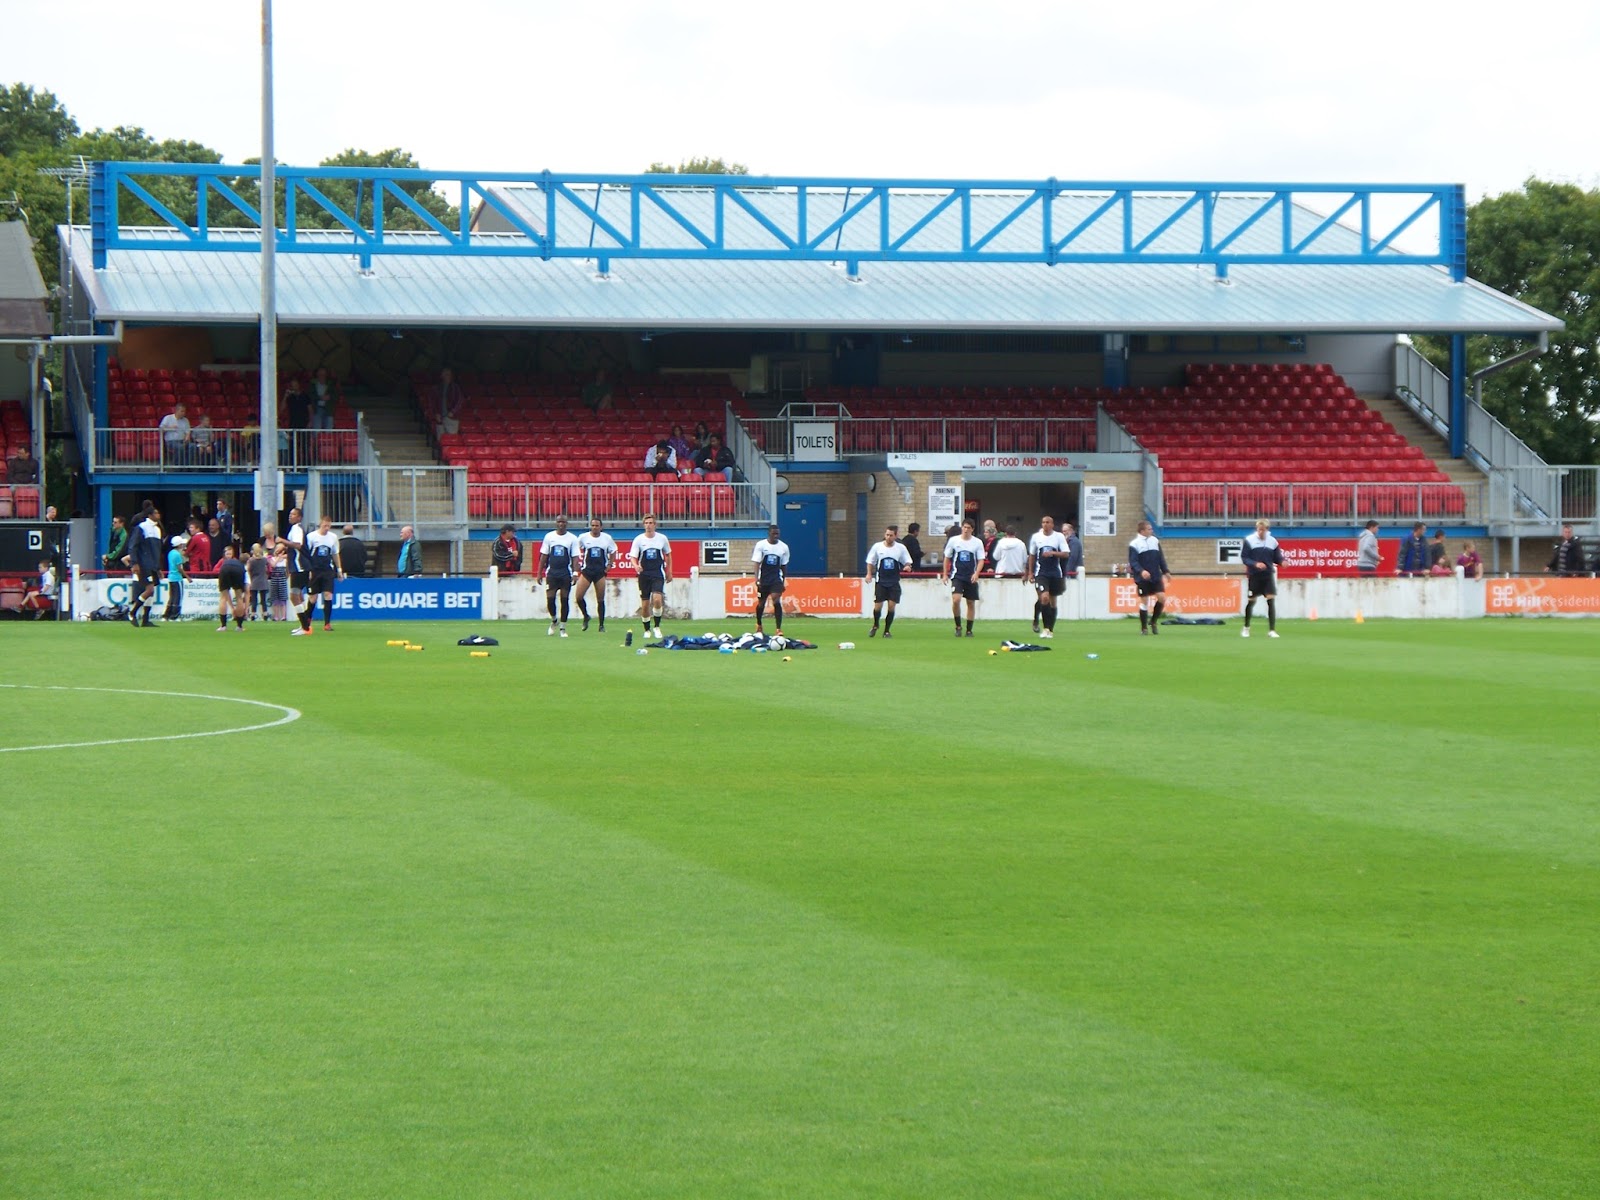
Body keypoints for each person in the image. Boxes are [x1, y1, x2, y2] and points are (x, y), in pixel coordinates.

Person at [1027, 515, 1070, 639]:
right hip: (1041, 573)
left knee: (1052, 602)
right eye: (1043, 522)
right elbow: (1032, 555)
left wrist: (1053, 553)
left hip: (1055, 573)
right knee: (1044, 597)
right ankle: (1045, 628)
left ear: (1052, 524)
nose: (1045, 524)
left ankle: (1050, 629)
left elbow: (1066, 554)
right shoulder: (1036, 537)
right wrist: (1030, 572)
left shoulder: (1058, 537)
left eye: (1048, 522)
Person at [865, 525, 912, 638]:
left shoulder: (900, 548)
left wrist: (907, 566)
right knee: (878, 606)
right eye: (887, 535)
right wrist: (869, 574)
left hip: (894, 581)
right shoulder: (877, 547)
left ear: (896, 536)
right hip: (881, 581)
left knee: (891, 606)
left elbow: (907, 561)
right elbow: (870, 561)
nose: (888, 537)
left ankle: (887, 630)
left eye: (891, 535)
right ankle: (876, 624)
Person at [630, 513, 672, 639]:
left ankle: (657, 627)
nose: (648, 525)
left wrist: (669, 571)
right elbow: (633, 556)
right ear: (644, 525)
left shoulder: (662, 539)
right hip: (644, 575)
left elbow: (668, 554)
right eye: (646, 523)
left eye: (650, 523)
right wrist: (636, 566)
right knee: (645, 604)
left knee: (657, 599)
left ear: (655, 525)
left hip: (657, 573)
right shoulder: (639, 539)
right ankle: (647, 629)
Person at [1240, 519, 1284, 638]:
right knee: (1251, 601)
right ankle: (1246, 627)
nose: (1260, 532)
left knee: (1271, 601)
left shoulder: (1272, 542)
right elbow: (1244, 558)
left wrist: (1282, 561)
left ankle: (1272, 630)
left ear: (1267, 530)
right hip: (1254, 575)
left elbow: (1277, 557)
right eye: (1259, 529)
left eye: (1263, 530)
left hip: (1268, 574)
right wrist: (1255, 564)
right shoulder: (1249, 540)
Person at [942, 518, 985, 637]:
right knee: (956, 599)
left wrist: (976, 573)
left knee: (970, 602)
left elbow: (981, 560)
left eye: (968, 528)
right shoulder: (954, 541)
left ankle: (969, 629)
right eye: (964, 527)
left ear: (972, 530)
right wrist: (945, 574)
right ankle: (958, 626)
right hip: (957, 575)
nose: (966, 530)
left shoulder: (977, 542)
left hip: (970, 576)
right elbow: (947, 558)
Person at [539, 514, 581, 637]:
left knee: (564, 599)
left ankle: (563, 628)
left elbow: (575, 558)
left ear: (566, 523)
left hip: (565, 573)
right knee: (550, 599)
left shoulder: (572, 538)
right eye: (559, 522)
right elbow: (544, 556)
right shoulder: (549, 537)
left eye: (563, 522)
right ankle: (554, 621)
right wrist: (539, 573)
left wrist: (575, 573)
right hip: (552, 573)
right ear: (556, 523)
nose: (561, 524)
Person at [1128, 519, 1172, 636]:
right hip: (1142, 578)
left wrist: (1166, 571)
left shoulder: (1155, 541)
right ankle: (1144, 628)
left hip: (1156, 575)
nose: (1152, 530)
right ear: (1142, 531)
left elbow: (1160, 558)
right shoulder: (1134, 544)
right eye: (1149, 529)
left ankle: (1153, 622)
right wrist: (1141, 571)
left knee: (1162, 598)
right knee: (1144, 601)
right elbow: (1133, 562)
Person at [575, 516, 617, 632]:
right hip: (587, 571)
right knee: (578, 597)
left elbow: (613, 551)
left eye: (597, 525)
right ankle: (586, 616)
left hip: (600, 572)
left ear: (601, 527)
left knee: (600, 599)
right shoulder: (583, 537)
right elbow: (575, 549)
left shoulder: (607, 538)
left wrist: (609, 565)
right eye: (592, 525)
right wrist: (577, 564)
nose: (594, 527)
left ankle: (601, 625)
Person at [125, 502, 163, 627]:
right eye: (156, 513)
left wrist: (158, 567)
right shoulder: (142, 527)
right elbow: (133, 546)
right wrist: (134, 563)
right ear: (150, 515)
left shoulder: (157, 530)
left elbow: (157, 551)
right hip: (144, 564)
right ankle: (132, 612)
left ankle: (146, 619)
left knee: (152, 592)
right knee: (149, 589)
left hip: (153, 565)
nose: (158, 515)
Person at [751, 524, 790, 635]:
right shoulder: (761, 545)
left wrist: (783, 581)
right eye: (774, 534)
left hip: (776, 579)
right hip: (763, 579)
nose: (776, 536)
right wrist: (756, 579)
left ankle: (778, 629)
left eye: (777, 534)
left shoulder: (784, 547)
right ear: (769, 533)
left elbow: (783, 565)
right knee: (761, 604)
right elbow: (757, 563)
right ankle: (759, 624)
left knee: (776, 599)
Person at [284, 507, 312, 635]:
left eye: (293, 514)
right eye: (290, 514)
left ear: (299, 517)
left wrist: (281, 541)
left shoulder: (297, 529)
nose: (290, 516)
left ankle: (305, 626)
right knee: (298, 595)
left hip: (300, 566)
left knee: (294, 596)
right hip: (297, 567)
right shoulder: (294, 529)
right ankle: (304, 626)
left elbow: (297, 545)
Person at [215, 545, 249, 632]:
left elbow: (226, 595)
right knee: (239, 597)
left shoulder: (223, 562)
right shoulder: (240, 564)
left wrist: (232, 608)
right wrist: (245, 609)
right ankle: (239, 626)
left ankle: (223, 626)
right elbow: (247, 591)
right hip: (238, 570)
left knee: (223, 597)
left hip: (225, 569)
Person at [163, 533, 189, 622]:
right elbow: (179, 568)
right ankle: (175, 616)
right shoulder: (178, 555)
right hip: (177, 578)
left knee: (172, 597)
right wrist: (187, 577)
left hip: (171, 577)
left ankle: (166, 615)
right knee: (178, 597)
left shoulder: (170, 553)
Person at [436, 367, 466, 435]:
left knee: (451, 438)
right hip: (440, 417)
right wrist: (436, 413)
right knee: (440, 439)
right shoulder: (438, 388)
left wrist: (453, 411)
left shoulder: (455, 387)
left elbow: (460, 401)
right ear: (442, 376)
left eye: (449, 374)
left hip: (451, 417)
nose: (447, 376)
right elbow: (434, 402)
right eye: (445, 374)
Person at [309, 367, 338, 431]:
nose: (322, 376)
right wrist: (320, 397)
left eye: (323, 374)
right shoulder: (312, 384)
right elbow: (310, 395)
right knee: (316, 428)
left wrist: (329, 397)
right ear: (317, 375)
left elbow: (336, 396)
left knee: (329, 427)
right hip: (316, 409)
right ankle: (316, 440)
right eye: (320, 374)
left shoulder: (331, 384)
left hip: (329, 409)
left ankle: (327, 440)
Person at [247, 543, 271, 620]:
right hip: (263, 580)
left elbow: (249, 570)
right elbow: (268, 568)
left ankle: (253, 614)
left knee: (254, 600)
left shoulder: (251, 560)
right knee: (263, 600)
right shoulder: (264, 559)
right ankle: (265, 614)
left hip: (254, 580)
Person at [268, 541, 289, 621]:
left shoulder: (285, 560)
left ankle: (283, 616)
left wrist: (283, 556)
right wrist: (278, 558)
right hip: (274, 579)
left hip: (282, 579)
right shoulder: (271, 558)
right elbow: (273, 565)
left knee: (283, 598)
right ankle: (276, 616)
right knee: (275, 598)